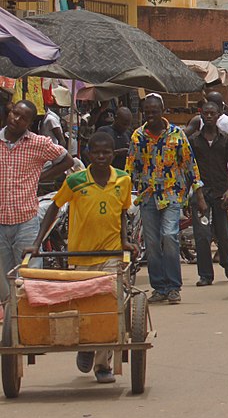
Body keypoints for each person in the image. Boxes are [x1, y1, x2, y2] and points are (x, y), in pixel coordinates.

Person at [29, 131, 135, 384]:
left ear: (113, 154)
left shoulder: (123, 180)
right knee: (82, 308)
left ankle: (103, 365)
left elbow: (122, 212)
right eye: (96, 153)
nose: (101, 157)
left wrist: (125, 240)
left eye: (106, 153)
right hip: (80, 255)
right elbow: (54, 207)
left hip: (109, 253)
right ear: (88, 155)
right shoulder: (76, 181)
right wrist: (36, 243)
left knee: (109, 308)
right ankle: (85, 345)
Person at [127, 94, 205, 305]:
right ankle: (159, 287)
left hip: (172, 194)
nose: (151, 116)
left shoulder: (177, 135)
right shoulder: (138, 137)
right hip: (147, 196)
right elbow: (130, 168)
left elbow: (191, 166)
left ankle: (173, 286)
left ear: (163, 112)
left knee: (169, 235)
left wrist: (198, 195)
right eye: (148, 112)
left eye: (155, 112)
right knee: (151, 243)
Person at [0, 100, 73, 302]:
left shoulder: (38, 143)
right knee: (6, 286)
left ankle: (30, 328)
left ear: (30, 123)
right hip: (0, 224)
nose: (16, 119)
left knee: (31, 281)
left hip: (26, 223)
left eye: (23, 118)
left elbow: (67, 160)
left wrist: (41, 176)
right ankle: (12, 329)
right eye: (15, 113)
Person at [188, 101, 228, 286]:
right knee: (202, 236)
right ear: (201, 115)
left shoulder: (226, 139)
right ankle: (205, 275)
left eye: (212, 113)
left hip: (220, 193)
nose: (209, 116)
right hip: (201, 193)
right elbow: (190, 170)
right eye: (206, 113)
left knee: (224, 234)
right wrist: (197, 195)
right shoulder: (193, 141)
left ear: (219, 115)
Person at [96, 106, 133, 170]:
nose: (125, 127)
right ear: (116, 119)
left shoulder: (128, 134)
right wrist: (116, 153)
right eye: (123, 124)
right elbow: (97, 153)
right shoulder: (104, 131)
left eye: (128, 124)